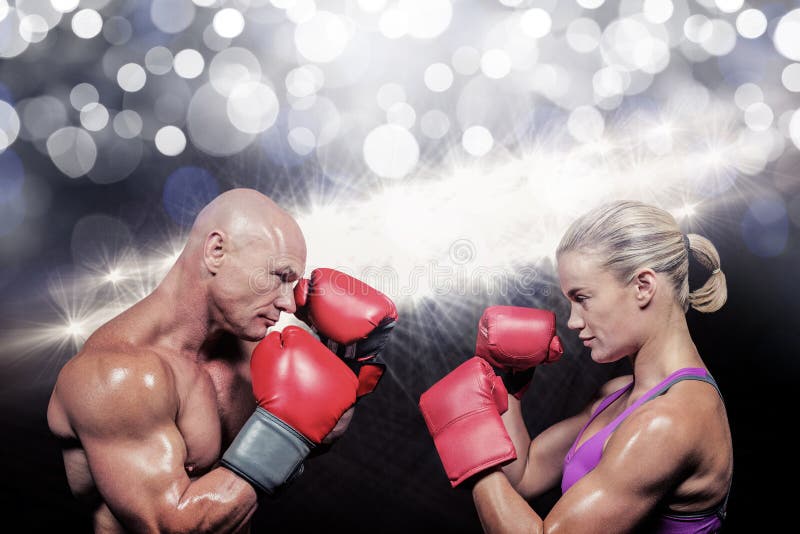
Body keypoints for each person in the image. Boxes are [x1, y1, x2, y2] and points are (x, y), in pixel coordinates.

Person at [47, 188, 397, 533]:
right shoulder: (118, 376)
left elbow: (306, 443)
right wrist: (286, 429)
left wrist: (346, 367)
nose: (290, 304)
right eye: (279, 277)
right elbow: (171, 526)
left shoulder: (250, 350)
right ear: (216, 251)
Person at [420, 200, 733, 533]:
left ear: (643, 286)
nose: (571, 321)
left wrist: (469, 444)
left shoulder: (669, 421)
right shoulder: (617, 394)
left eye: (582, 298)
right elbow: (524, 475)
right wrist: (507, 387)